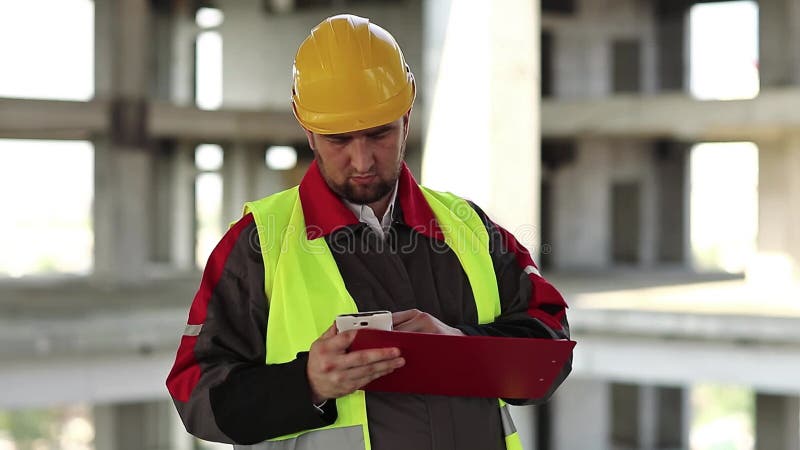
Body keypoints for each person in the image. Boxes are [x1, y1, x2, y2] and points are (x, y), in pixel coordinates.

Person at [166, 14, 571, 450]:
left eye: (379, 134)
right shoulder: (258, 243)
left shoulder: (469, 226)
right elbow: (195, 395)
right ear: (309, 131)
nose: (362, 161)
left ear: (407, 119)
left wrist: (461, 345)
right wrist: (306, 383)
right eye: (339, 140)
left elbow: (550, 348)